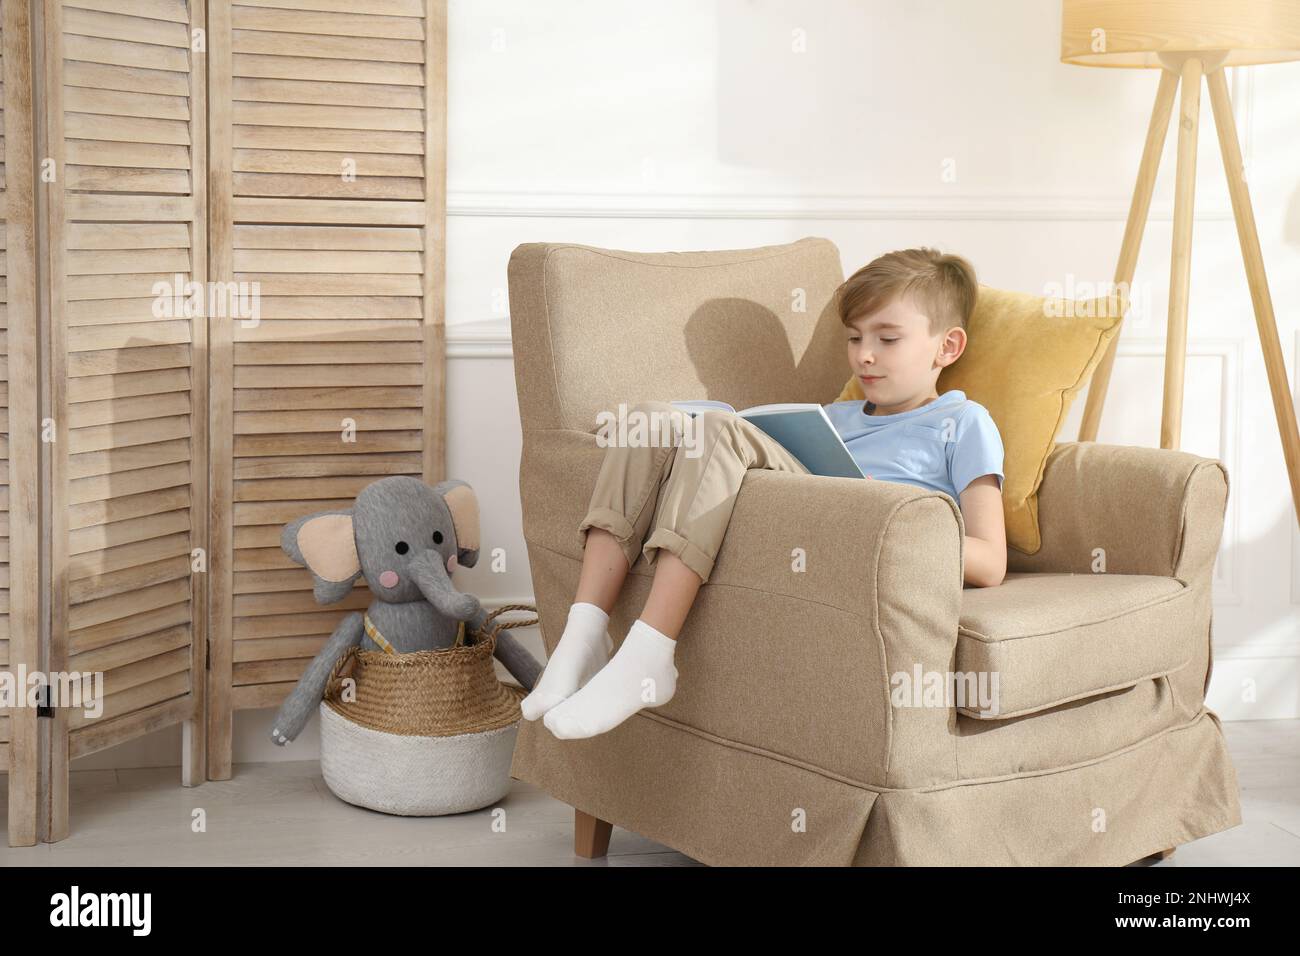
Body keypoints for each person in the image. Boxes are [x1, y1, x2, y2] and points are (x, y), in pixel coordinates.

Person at [522, 247, 1006, 740]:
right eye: (855, 337)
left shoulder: (963, 422)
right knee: (650, 419)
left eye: (888, 339)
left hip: (864, 539)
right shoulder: (835, 418)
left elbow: (991, 562)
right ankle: (582, 637)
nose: (864, 354)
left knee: (720, 430)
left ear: (947, 347)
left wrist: (896, 514)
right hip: (793, 516)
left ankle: (650, 653)